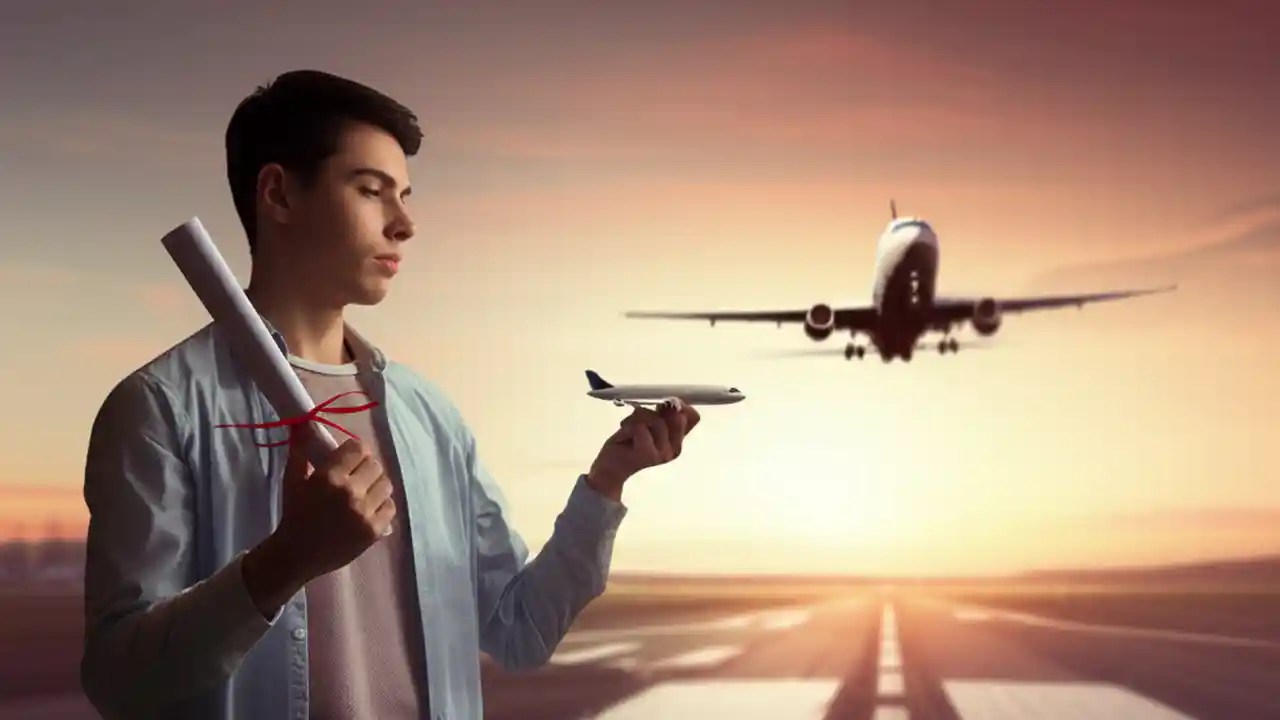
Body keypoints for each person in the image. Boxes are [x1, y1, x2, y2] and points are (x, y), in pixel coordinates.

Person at [80, 68, 699, 720]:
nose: (405, 224)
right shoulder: (161, 408)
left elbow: (519, 629)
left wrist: (607, 482)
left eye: (404, 195)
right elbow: (120, 680)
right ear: (278, 194)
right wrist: (283, 563)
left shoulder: (428, 417)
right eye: (372, 191)